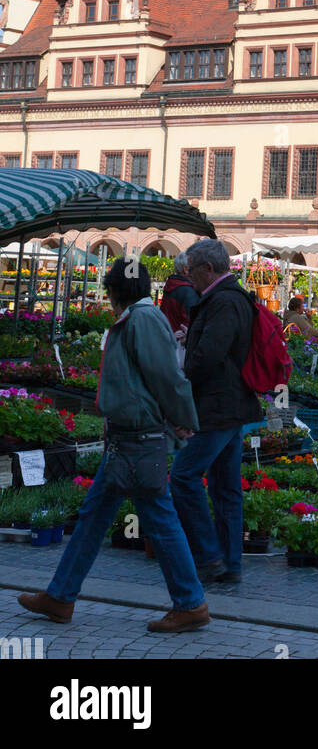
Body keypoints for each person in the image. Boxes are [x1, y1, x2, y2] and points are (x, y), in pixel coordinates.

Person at [18, 257, 208, 633]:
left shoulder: (143, 319)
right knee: (93, 518)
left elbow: (167, 378)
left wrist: (184, 420)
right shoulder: (139, 318)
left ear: (115, 291)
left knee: (158, 517)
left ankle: (190, 602)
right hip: (127, 438)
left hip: (137, 439)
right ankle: (61, 596)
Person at [169, 238, 261, 585]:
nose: (188, 277)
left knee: (183, 477)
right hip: (230, 405)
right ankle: (229, 562)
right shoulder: (231, 298)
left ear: (208, 269)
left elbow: (209, 356)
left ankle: (210, 556)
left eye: (191, 270)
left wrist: (185, 371)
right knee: (225, 487)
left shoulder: (223, 301)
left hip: (217, 406)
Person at [159, 253, 199, 337]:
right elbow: (191, 323)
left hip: (168, 338)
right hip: (181, 342)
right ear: (185, 269)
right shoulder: (188, 291)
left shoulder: (171, 285)